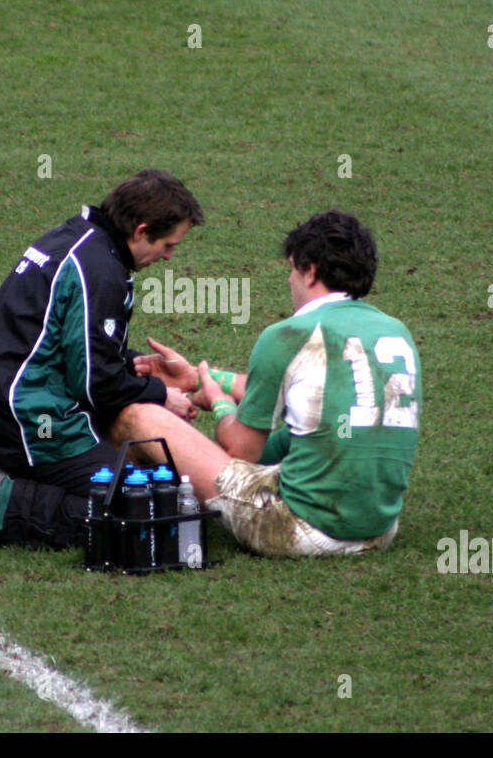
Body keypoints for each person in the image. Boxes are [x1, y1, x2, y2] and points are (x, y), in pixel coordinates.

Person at [108, 210, 420, 557]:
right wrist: (200, 379)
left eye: (292, 269)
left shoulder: (289, 335)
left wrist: (220, 402)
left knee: (139, 417)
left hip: (302, 529)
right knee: (308, 429)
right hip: (380, 529)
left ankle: (105, 496)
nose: (289, 280)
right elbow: (304, 391)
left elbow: (241, 451)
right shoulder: (396, 331)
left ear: (311, 270)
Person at [0, 169, 203, 549]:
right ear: (140, 230)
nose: (168, 257)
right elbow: (96, 383)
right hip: (30, 422)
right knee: (142, 510)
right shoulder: (100, 269)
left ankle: (8, 472)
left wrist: (135, 365)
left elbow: (70, 349)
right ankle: (1, 497)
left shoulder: (80, 238)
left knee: (148, 480)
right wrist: (159, 394)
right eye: (168, 245)